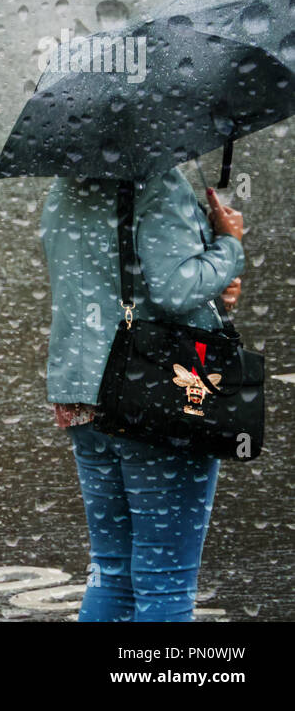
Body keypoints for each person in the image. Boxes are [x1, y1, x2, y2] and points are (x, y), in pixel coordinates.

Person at [39, 166, 245, 621]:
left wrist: (212, 291)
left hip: (80, 393)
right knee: (165, 580)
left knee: (112, 571)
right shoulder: (157, 182)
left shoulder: (67, 183)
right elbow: (175, 291)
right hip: (152, 393)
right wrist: (229, 245)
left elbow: (101, 281)